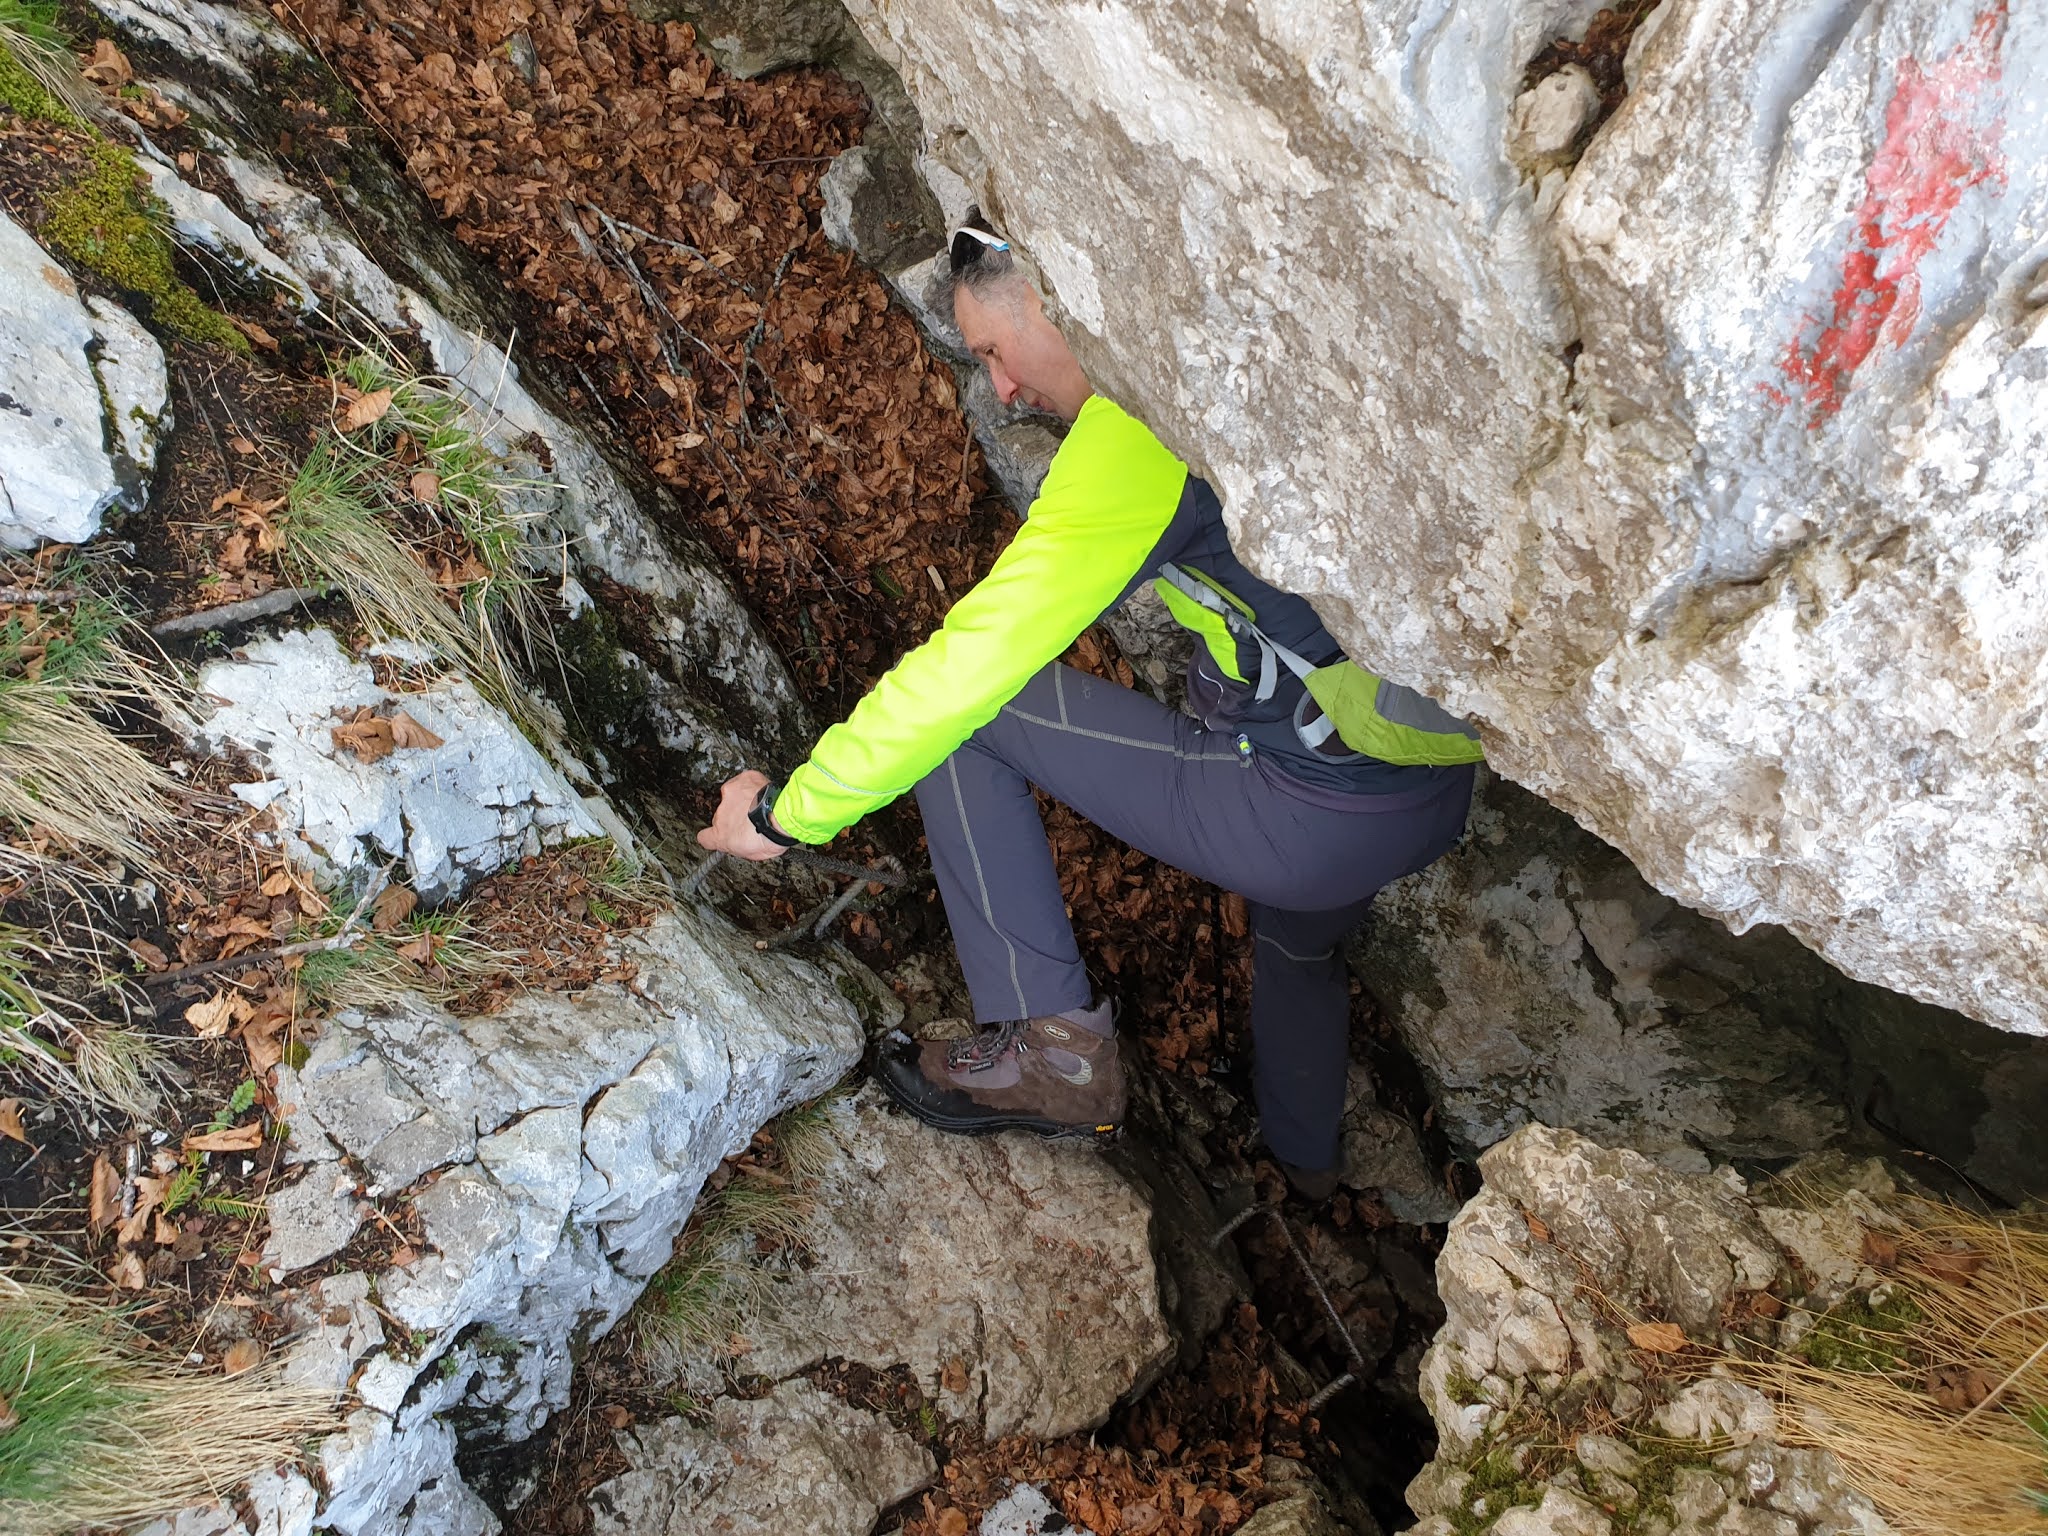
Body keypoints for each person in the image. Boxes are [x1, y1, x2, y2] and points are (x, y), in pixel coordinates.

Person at [697, 219, 1481, 1197]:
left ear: (1055, 301)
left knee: (971, 720)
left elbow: (970, 669)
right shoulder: (1230, 352)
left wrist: (784, 816)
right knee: (1297, 948)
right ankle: (1307, 1169)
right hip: (1421, 786)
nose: (1004, 389)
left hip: (1308, 809)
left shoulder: (1135, 439)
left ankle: (1052, 1058)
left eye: (991, 349)